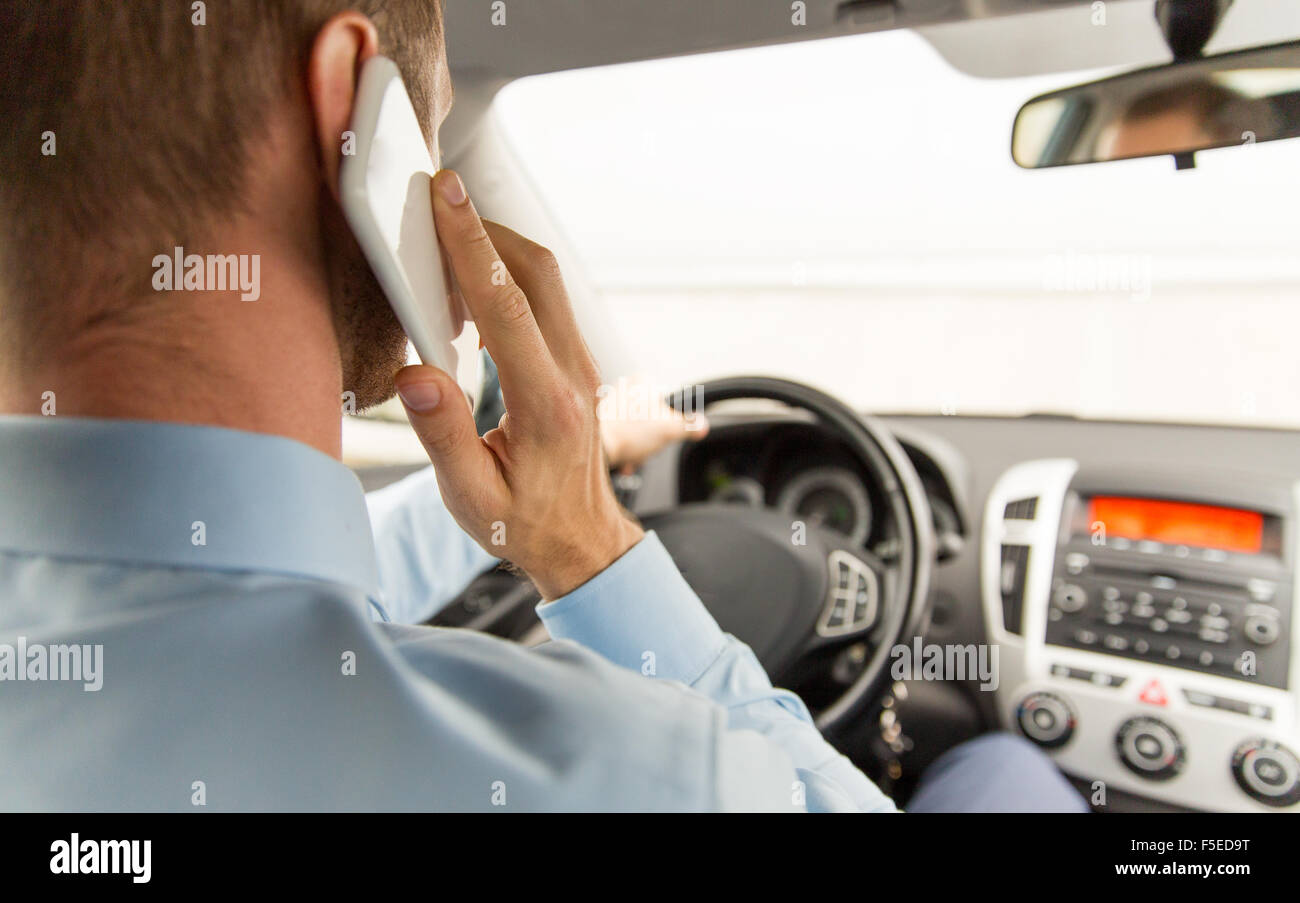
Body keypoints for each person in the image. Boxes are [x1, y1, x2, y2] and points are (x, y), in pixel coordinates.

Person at [0, 1, 1086, 812]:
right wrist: (594, 552)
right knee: (1001, 772)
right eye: (426, 146)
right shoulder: (639, 779)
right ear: (343, 106)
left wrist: (522, 505)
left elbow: (228, 563)